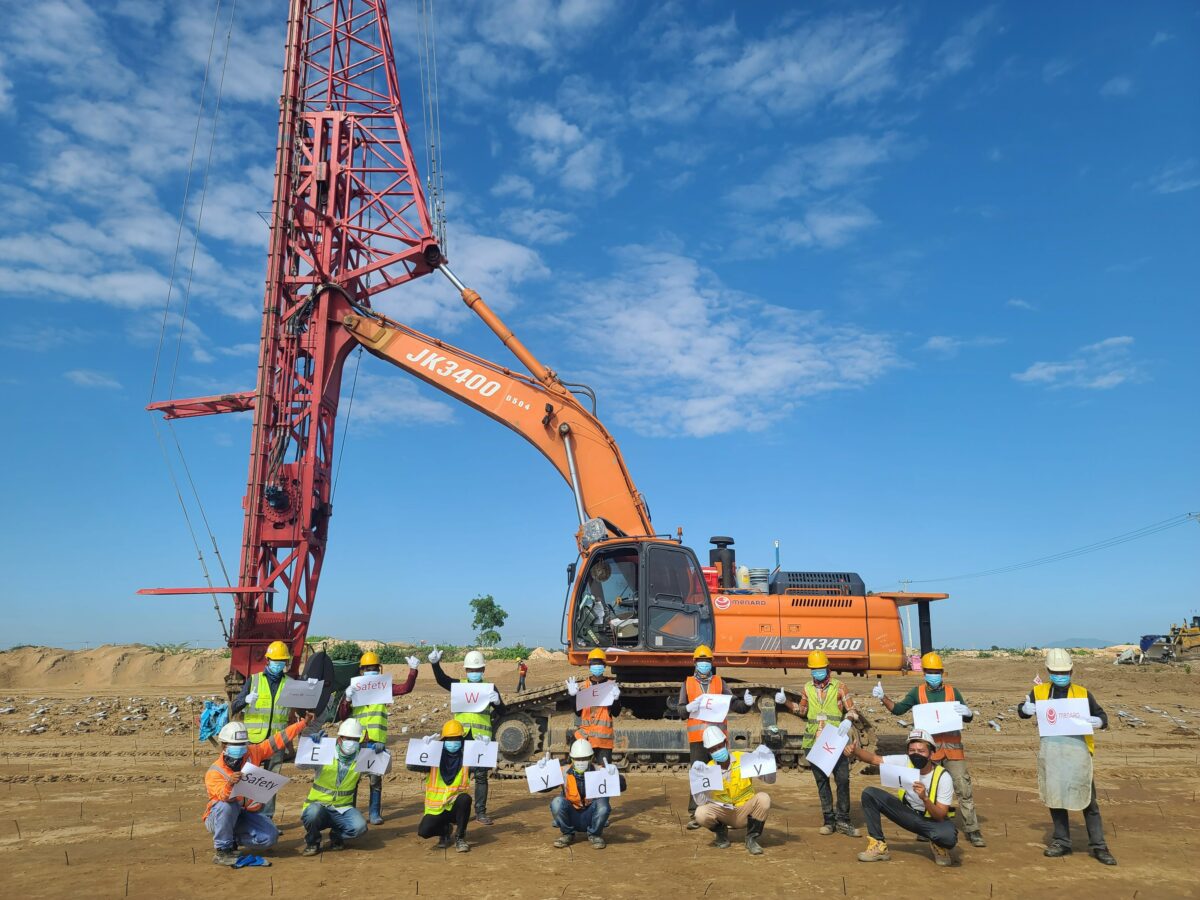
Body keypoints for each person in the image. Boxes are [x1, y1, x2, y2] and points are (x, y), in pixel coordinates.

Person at [873, 651, 986, 847]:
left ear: (942, 673)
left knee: (963, 788)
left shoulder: (953, 692)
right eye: (930, 672)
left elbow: (966, 717)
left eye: (937, 672)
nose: (934, 675)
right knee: (925, 790)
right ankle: (925, 828)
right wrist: (883, 698)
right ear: (924, 673)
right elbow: (898, 710)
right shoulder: (917, 693)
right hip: (929, 753)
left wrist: (968, 713)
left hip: (953, 750)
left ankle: (972, 829)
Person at [1017, 648, 1117, 865]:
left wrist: (1100, 721)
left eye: (1064, 672)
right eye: (1056, 672)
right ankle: (1061, 841)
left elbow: (1101, 715)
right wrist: (1025, 709)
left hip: (1078, 753)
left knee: (1088, 800)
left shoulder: (1083, 693)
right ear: (1048, 671)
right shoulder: (1039, 692)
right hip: (1053, 753)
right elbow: (1022, 711)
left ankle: (1099, 846)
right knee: (1056, 798)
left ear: (1071, 671)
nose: (1060, 676)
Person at [203, 714, 313, 866]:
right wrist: (230, 784)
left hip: (244, 814)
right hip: (218, 818)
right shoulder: (215, 772)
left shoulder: (253, 752)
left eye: (242, 744)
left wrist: (302, 724)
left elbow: (277, 740)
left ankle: (232, 838)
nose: (240, 748)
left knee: (270, 837)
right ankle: (222, 850)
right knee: (227, 805)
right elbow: (223, 797)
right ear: (223, 746)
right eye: (234, 744)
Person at [776, 650, 860, 837]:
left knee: (843, 780)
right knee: (822, 781)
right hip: (814, 741)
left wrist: (848, 719)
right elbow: (802, 711)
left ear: (828, 668)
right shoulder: (807, 688)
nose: (817, 672)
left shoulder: (840, 687)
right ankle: (829, 821)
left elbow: (852, 710)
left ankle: (843, 820)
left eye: (820, 668)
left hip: (835, 740)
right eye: (814, 669)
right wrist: (786, 702)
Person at [845, 729, 958, 867]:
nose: (916, 754)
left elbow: (940, 815)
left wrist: (925, 798)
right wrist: (855, 751)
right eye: (912, 750)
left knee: (948, 837)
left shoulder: (943, 777)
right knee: (870, 794)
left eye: (921, 751)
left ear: (931, 753)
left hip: (932, 821)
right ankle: (878, 845)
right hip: (907, 815)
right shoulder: (905, 761)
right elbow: (875, 759)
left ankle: (938, 844)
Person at [335, 650, 420, 825]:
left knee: (375, 780)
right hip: (356, 741)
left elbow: (405, 688)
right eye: (367, 668)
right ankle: (350, 812)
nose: (371, 671)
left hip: (375, 742)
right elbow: (343, 716)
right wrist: (347, 699)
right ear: (361, 671)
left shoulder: (383, 688)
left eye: (373, 668)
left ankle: (374, 813)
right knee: (352, 780)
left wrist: (413, 671)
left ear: (379, 669)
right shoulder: (353, 689)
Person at [679, 644, 751, 828]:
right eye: (701, 660)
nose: (704, 664)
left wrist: (747, 704)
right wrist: (687, 708)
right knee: (699, 774)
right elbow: (680, 711)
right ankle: (695, 813)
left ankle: (725, 812)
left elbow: (735, 705)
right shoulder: (687, 683)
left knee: (722, 774)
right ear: (695, 662)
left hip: (718, 740)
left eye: (707, 661)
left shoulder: (720, 682)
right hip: (698, 739)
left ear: (711, 663)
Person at [429, 648, 504, 824]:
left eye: (477, 670)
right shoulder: (459, 686)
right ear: (466, 670)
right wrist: (435, 664)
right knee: (457, 774)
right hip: (460, 737)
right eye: (471, 669)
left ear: (483, 670)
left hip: (481, 739)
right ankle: (455, 811)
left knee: (481, 776)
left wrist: (497, 701)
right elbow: (442, 680)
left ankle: (480, 812)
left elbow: (503, 711)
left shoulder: (490, 688)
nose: (474, 672)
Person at [230, 640, 296, 819]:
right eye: (275, 660)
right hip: (254, 741)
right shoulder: (254, 680)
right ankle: (244, 817)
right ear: (267, 660)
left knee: (270, 782)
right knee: (247, 780)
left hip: (276, 741)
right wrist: (245, 700)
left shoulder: (291, 684)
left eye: (282, 661)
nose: (278, 664)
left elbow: (298, 712)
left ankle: (266, 820)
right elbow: (234, 706)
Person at [691, 726, 775, 855]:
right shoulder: (709, 769)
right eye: (713, 749)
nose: (717, 751)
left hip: (745, 811)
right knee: (700, 813)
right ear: (708, 751)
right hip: (724, 814)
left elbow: (770, 780)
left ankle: (751, 838)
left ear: (727, 743)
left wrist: (768, 759)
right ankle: (721, 833)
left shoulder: (743, 759)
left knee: (764, 798)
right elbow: (701, 802)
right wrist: (696, 782)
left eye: (719, 746)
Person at [299, 719, 370, 855]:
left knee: (359, 827)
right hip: (318, 806)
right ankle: (313, 842)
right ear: (339, 739)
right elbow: (300, 765)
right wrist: (310, 745)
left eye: (355, 739)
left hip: (342, 809)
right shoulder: (326, 752)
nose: (352, 742)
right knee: (312, 814)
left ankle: (336, 836)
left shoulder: (362, 758)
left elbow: (384, 770)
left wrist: (383, 753)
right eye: (348, 738)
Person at [540, 738, 626, 849]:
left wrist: (615, 776)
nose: (581, 762)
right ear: (572, 759)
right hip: (572, 815)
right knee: (557, 802)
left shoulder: (600, 771)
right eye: (577, 759)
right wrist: (543, 771)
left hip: (592, 816)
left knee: (603, 803)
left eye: (584, 758)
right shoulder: (563, 771)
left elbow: (622, 787)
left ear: (591, 758)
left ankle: (595, 835)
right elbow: (543, 788)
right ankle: (567, 834)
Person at [410, 720, 473, 852]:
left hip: (455, 806)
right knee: (424, 831)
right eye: (449, 739)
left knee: (465, 799)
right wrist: (423, 747)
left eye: (456, 739)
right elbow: (411, 766)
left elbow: (485, 766)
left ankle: (460, 838)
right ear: (443, 741)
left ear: (461, 741)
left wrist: (485, 747)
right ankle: (445, 831)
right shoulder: (434, 758)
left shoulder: (467, 758)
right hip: (437, 809)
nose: (453, 743)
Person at [566, 647, 622, 765]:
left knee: (603, 772)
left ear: (604, 666)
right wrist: (573, 696)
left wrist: (616, 700)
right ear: (589, 666)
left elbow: (616, 713)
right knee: (579, 769)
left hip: (603, 741)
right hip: (584, 737)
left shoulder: (611, 686)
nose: (596, 666)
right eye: (594, 664)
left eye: (599, 663)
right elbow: (578, 713)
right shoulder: (583, 686)